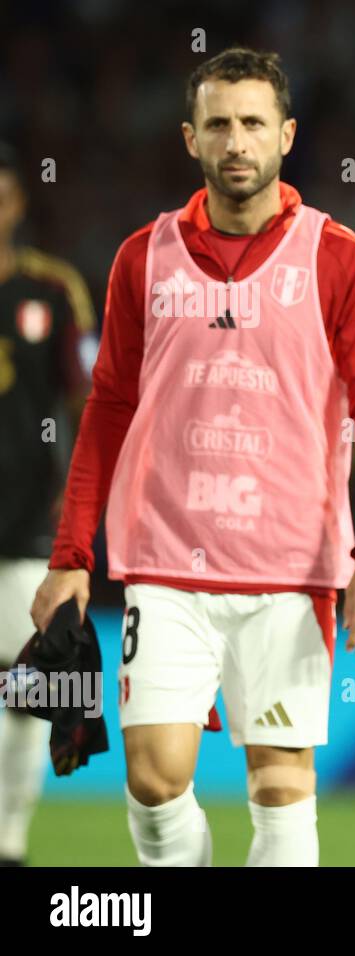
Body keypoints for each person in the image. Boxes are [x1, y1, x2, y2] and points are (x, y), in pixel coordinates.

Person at [28, 47, 355, 867]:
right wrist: (70, 555)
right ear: (191, 138)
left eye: (255, 124)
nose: (239, 142)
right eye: (221, 125)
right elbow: (107, 410)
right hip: (165, 564)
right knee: (156, 782)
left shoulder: (337, 257)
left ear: (288, 135)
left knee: (279, 787)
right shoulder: (144, 256)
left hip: (291, 568)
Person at [0, 142, 97, 866]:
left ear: (15, 204)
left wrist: (77, 508)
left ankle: (10, 841)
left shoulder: (54, 289)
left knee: (23, 689)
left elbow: (89, 400)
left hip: (30, 525)